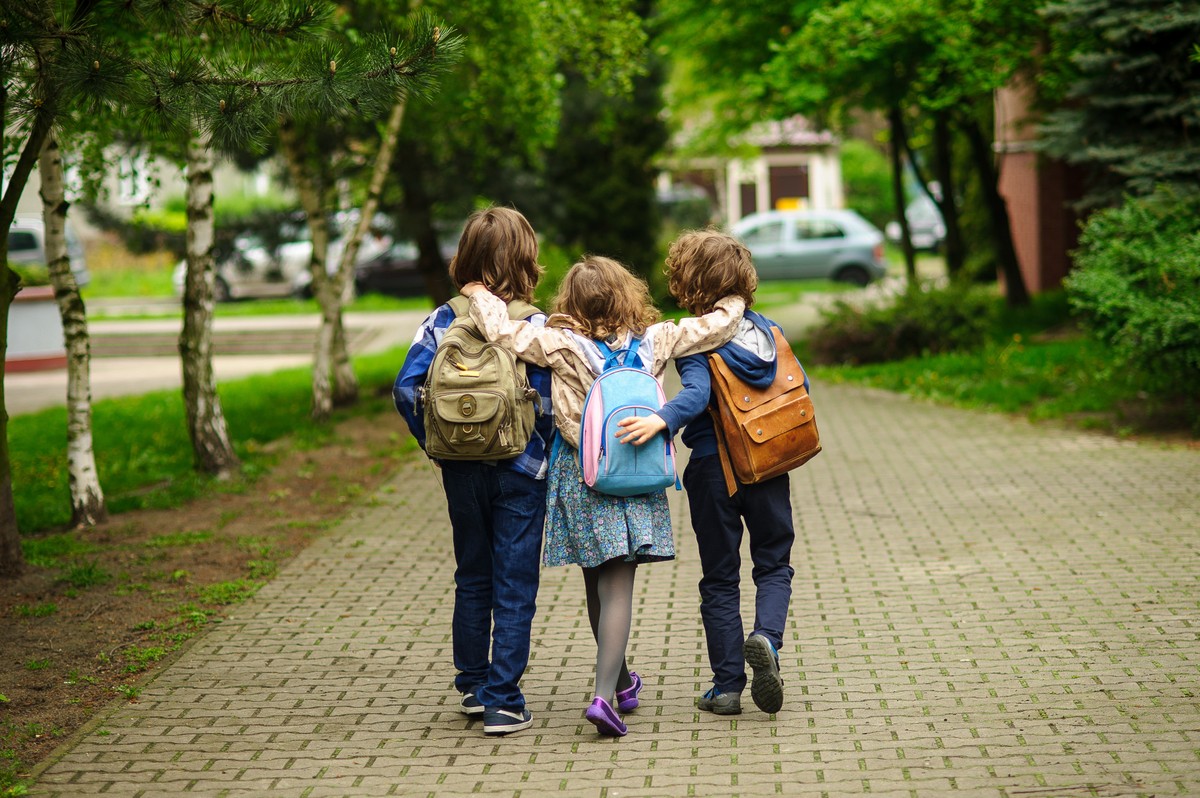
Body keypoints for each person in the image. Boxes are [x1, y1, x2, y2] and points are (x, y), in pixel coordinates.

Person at [459, 255, 744, 737]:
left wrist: (477, 292)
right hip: (635, 469)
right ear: (627, 295)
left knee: (598, 580)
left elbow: (500, 332)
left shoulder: (559, 344)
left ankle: (618, 682)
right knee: (618, 586)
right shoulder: (656, 339)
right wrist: (735, 300)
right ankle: (603, 694)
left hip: (584, 474)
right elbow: (714, 328)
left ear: (570, 301)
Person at [392, 207, 555, 736]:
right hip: (521, 469)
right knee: (514, 582)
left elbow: (404, 388)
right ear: (525, 259)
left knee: (472, 574)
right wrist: (543, 452)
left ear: (465, 257)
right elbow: (553, 401)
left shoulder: (442, 319)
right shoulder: (532, 325)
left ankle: (473, 686)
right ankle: (504, 701)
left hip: (460, 468)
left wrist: (437, 445)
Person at [624, 229, 798, 716]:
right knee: (774, 563)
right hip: (768, 465)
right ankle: (766, 639)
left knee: (720, 579)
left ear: (690, 284)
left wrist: (663, 419)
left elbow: (696, 395)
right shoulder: (768, 331)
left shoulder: (695, 339)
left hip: (713, 472)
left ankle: (726, 688)